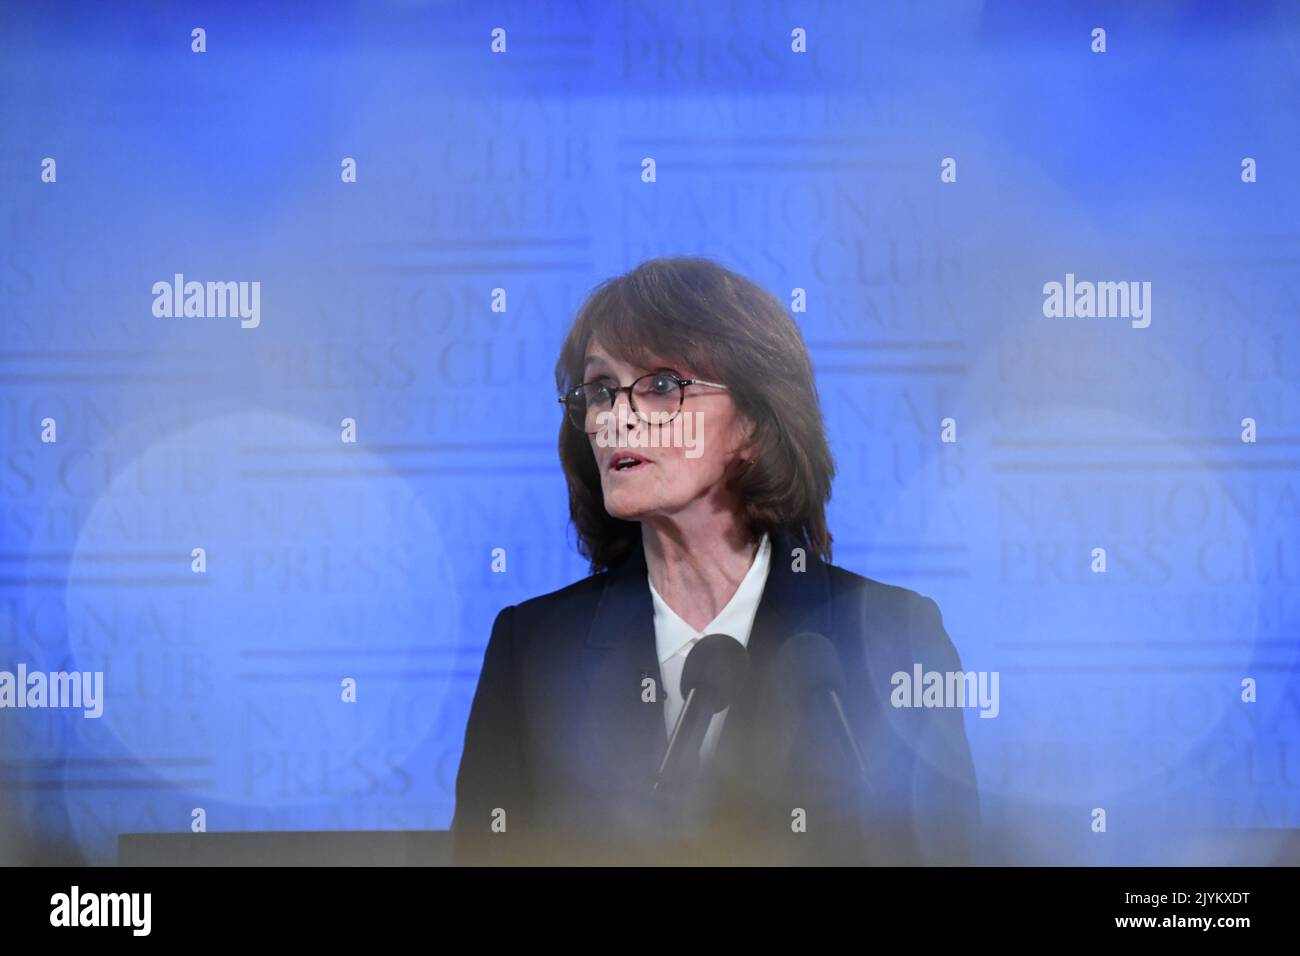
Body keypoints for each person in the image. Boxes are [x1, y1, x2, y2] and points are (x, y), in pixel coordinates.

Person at [451, 256, 980, 865]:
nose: (615, 418)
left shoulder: (892, 640)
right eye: (599, 390)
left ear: (753, 425)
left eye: (660, 386)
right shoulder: (534, 652)